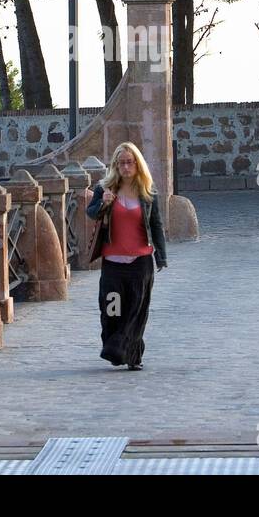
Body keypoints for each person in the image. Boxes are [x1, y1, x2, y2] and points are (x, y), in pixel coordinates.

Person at [85, 142, 167, 371]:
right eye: (121, 162)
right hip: (113, 263)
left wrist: (161, 256)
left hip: (141, 262)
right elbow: (91, 213)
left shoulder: (148, 192)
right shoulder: (105, 189)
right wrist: (103, 203)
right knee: (111, 309)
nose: (125, 166)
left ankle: (132, 355)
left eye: (130, 162)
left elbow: (156, 224)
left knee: (136, 311)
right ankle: (113, 347)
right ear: (115, 165)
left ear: (137, 164)